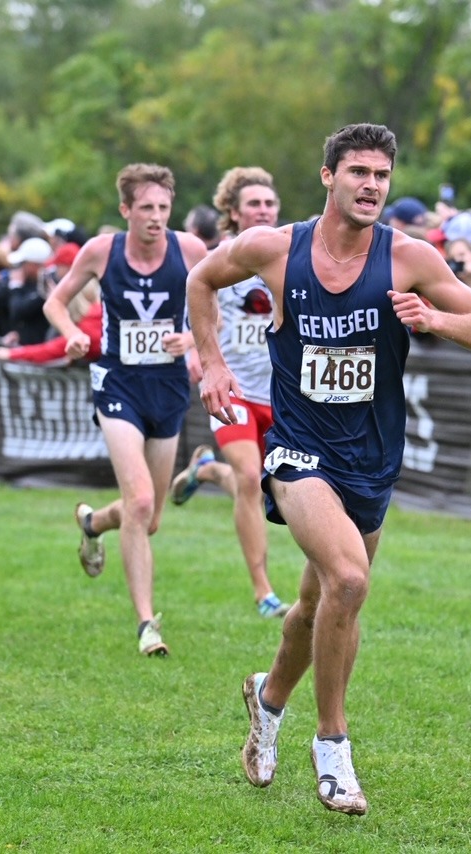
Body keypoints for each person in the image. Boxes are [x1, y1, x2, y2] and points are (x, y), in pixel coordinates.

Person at [188, 123, 471, 816]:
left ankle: (267, 702)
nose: (371, 185)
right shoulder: (276, 248)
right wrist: (210, 361)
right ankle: (332, 750)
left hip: (370, 459)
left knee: (318, 605)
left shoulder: (409, 258)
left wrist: (433, 321)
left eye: (382, 175)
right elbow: (201, 278)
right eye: (358, 171)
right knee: (351, 580)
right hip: (300, 449)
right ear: (328, 176)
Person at [42, 163, 208, 657]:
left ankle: (93, 524)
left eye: (163, 207)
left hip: (169, 384)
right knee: (138, 501)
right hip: (117, 381)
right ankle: (146, 624)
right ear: (125, 211)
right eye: (146, 209)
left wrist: (194, 339)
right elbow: (56, 301)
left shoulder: (192, 251)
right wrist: (72, 333)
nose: (156, 218)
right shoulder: (101, 251)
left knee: (149, 518)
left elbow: (214, 304)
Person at [169, 166, 294, 619]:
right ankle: (264, 592)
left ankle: (204, 471)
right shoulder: (220, 258)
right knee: (246, 477)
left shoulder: (289, 254)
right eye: (254, 204)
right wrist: (196, 356)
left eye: (269, 203)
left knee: (272, 491)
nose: (263, 210)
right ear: (234, 213)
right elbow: (196, 306)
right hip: (233, 389)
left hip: (280, 395)